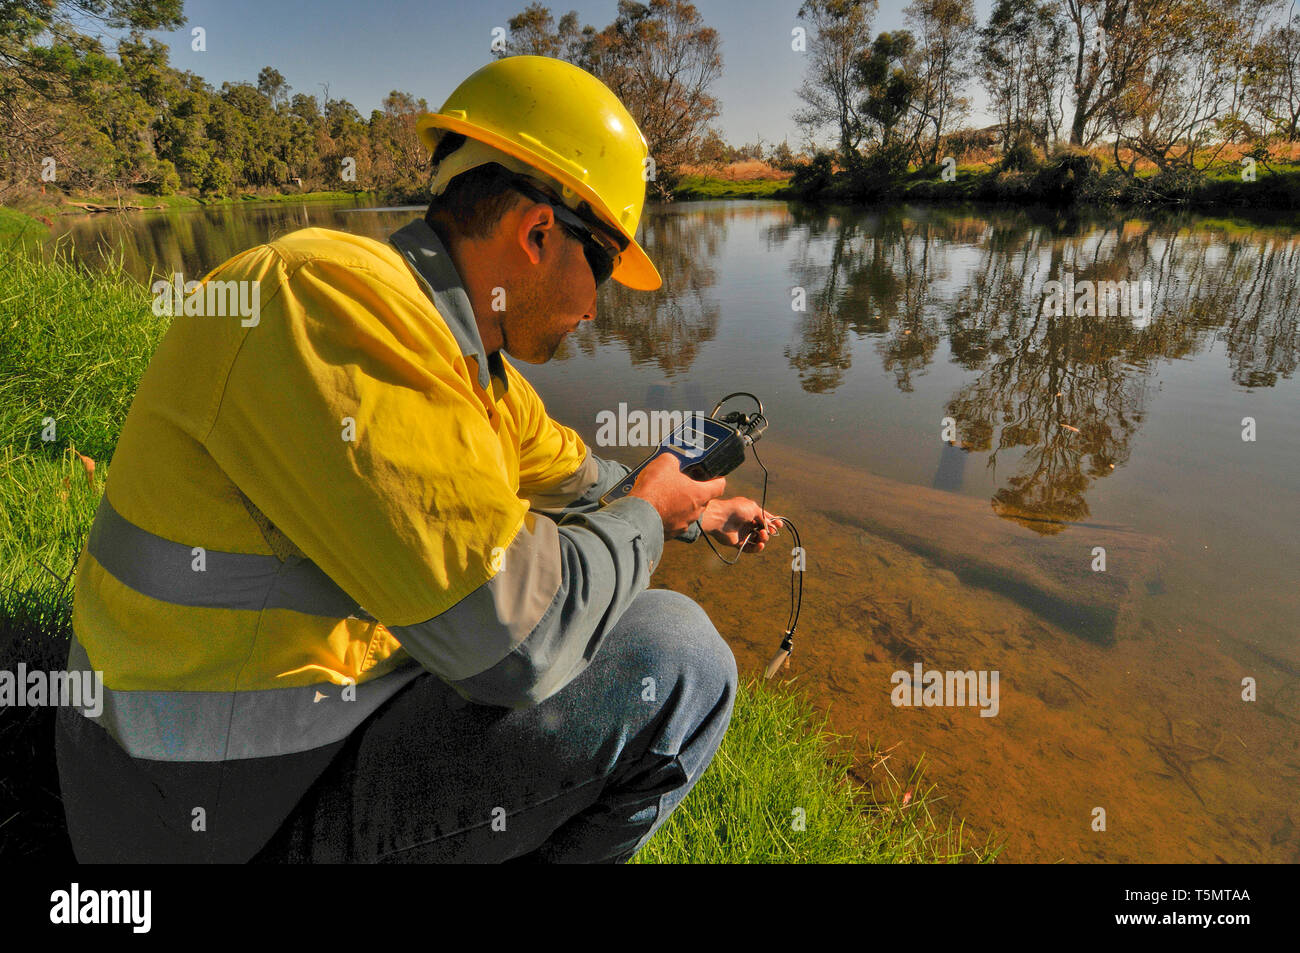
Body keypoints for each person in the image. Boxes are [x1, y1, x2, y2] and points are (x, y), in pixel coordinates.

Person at [55, 55, 780, 864]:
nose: (596, 303)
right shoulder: (327, 304)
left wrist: (696, 509)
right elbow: (517, 642)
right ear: (539, 233)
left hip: (253, 758)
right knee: (678, 657)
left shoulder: (460, 349)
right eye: (604, 263)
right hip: (199, 818)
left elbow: (576, 477)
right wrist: (646, 515)